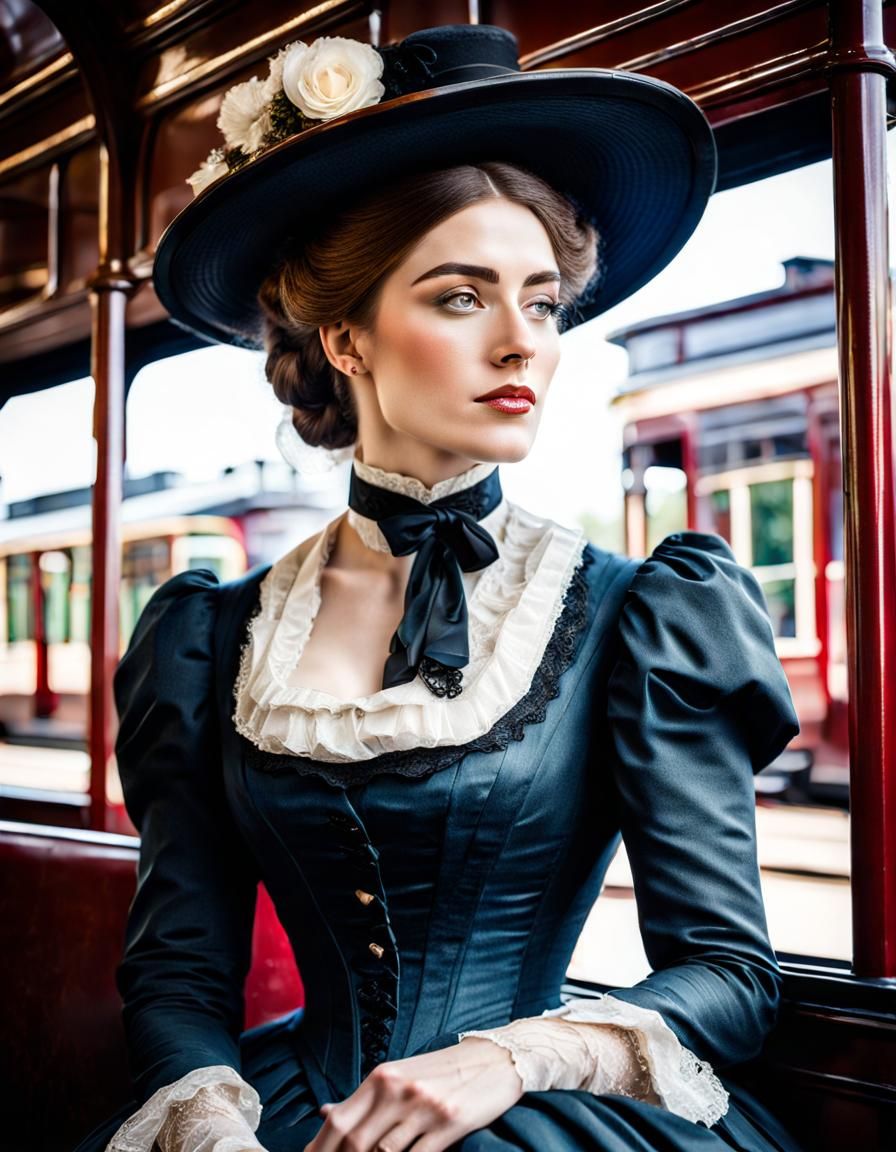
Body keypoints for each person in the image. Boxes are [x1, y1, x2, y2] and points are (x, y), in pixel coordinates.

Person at [73, 22, 807, 1152]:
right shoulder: (210, 637)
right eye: (462, 298)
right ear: (347, 338)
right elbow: (180, 967)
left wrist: (504, 1060)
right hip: (281, 1112)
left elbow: (726, 974)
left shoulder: (640, 615)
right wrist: (209, 1112)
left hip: (535, 1116)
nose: (523, 344)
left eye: (544, 300)